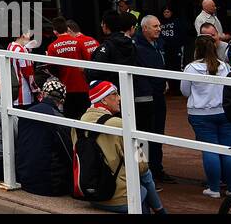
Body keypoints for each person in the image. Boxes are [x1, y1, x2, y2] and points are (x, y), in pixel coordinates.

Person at [75, 80, 165, 213]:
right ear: (104, 100)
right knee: (145, 174)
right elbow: (142, 165)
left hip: (90, 194)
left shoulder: (78, 123)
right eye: (115, 94)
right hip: (120, 198)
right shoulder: (119, 124)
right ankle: (160, 210)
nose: (120, 98)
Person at [181, 34, 231, 199]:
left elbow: (185, 91)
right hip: (224, 112)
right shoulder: (225, 66)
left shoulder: (191, 68)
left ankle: (214, 188)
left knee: (210, 150)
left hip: (200, 114)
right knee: (229, 149)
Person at [16, 77, 73, 196]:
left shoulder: (26, 113)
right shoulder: (60, 120)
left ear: (43, 94)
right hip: (50, 185)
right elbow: (68, 153)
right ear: (62, 101)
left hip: (24, 178)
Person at [133, 14, 171, 181]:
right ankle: (142, 172)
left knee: (158, 133)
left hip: (159, 96)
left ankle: (157, 169)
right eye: (155, 26)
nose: (159, 29)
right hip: (144, 99)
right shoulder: (136, 47)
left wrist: (164, 81)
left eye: (159, 26)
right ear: (145, 28)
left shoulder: (159, 44)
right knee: (142, 135)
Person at [47, 18, 98, 120]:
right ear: (67, 29)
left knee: (70, 119)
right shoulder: (78, 42)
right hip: (83, 86)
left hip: (66, 88)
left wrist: (61, 75)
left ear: (54, 31)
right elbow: (89, 61)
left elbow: (51, 68)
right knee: (85, 118)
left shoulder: (52, 47)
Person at [85, 10, 137, 87]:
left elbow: (95, 72)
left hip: (111, 92)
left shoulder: (107, 46)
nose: (101, 25)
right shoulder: (131, 44)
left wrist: (86, 70)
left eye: (102, 23)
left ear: (105, 25)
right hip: (129, 89)